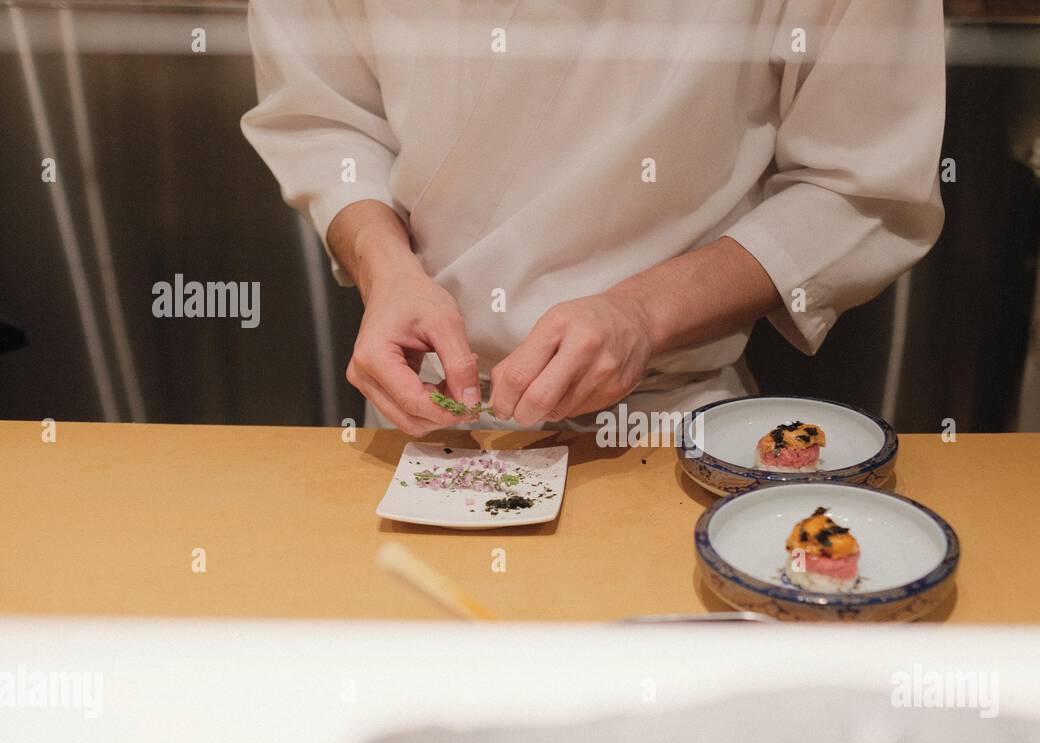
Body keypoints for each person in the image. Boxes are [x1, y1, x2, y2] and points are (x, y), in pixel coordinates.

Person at [241, 0, 945, 434]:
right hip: (420, 412)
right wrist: (386, 269)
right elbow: (324, 116)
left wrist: (641, 315)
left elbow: (861, 184)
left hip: (665, 421)